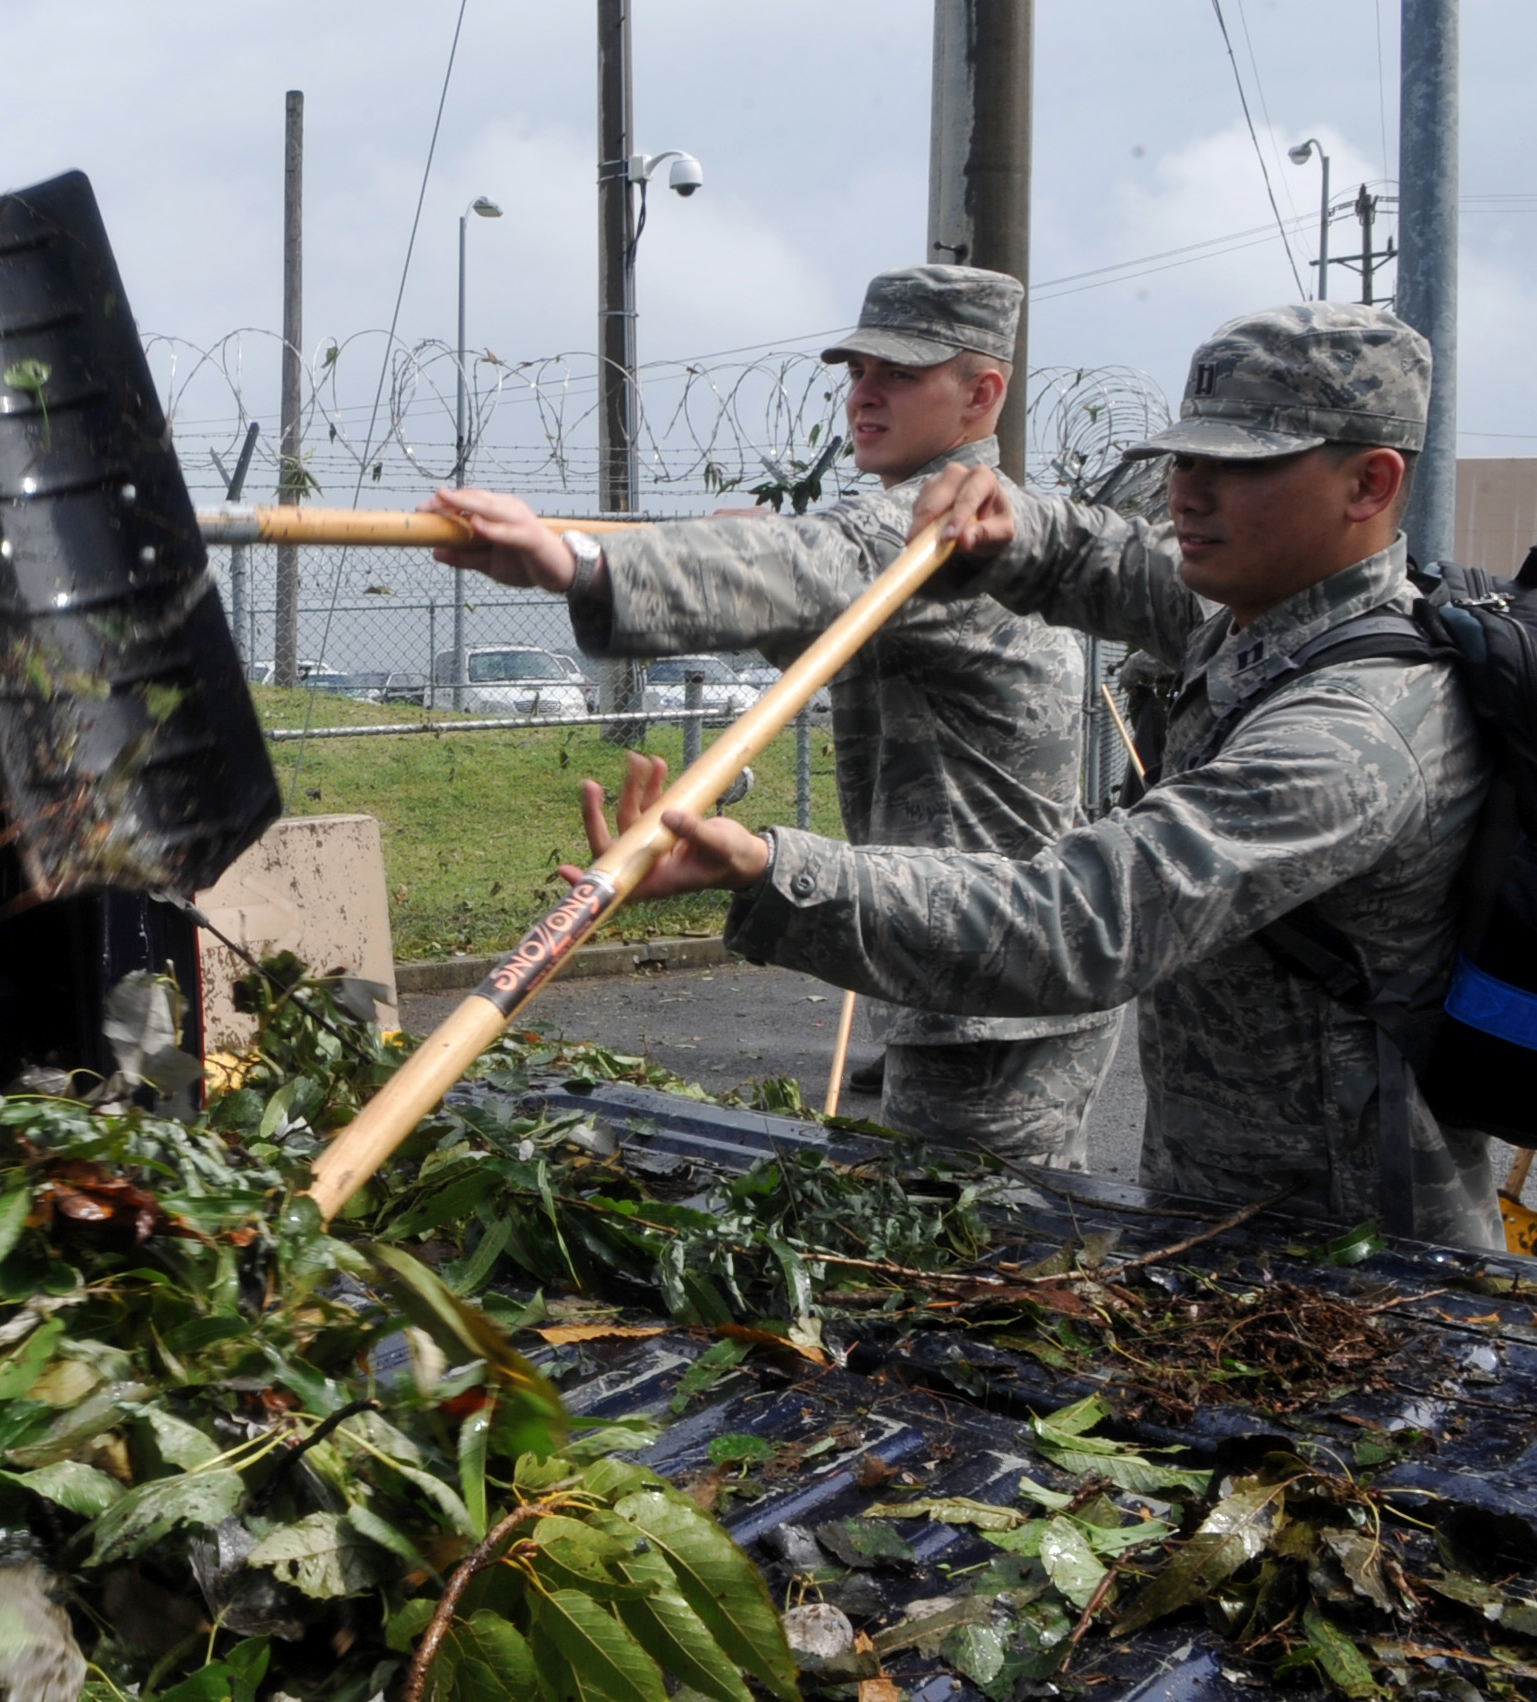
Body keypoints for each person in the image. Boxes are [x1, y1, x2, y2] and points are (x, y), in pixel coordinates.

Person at [562, 302, 1500, 1248]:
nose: (1188, 492)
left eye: (1241, 466)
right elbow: (1105, 560)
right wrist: (1013, 516)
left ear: (1370, 483)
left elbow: (1082, 922)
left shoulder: (1351, 733)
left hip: (1362, 1261)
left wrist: (771, 871)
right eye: (1183, 457)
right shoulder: (1272, 620)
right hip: (1230, 1216)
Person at [428, 265, 1122, 1170]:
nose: (863, 394)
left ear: (981, 393)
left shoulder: (956, 536)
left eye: (900, 374)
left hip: (993, 992)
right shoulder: (935, 539)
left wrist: (577, 561)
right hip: (970, 966)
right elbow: (838, 620)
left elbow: (817, 565)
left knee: (985, 1262)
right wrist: (751, 563)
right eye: (856, 371)